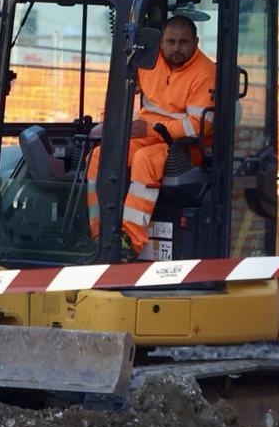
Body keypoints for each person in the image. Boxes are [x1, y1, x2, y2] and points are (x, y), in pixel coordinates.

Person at [87, 14, 216, 253]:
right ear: (161, 41)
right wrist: (111, 124)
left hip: (185, 147)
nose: (176, 48)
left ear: (196, 42)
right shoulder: (149, 61)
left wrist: (150, 129)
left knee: (144, 160)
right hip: (147, 136)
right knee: (99, 157)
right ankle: (97, 234)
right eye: (171, 42)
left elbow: (198, 127)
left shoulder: (206, 72)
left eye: (184, 42)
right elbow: (123, 91)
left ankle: (129, 242)